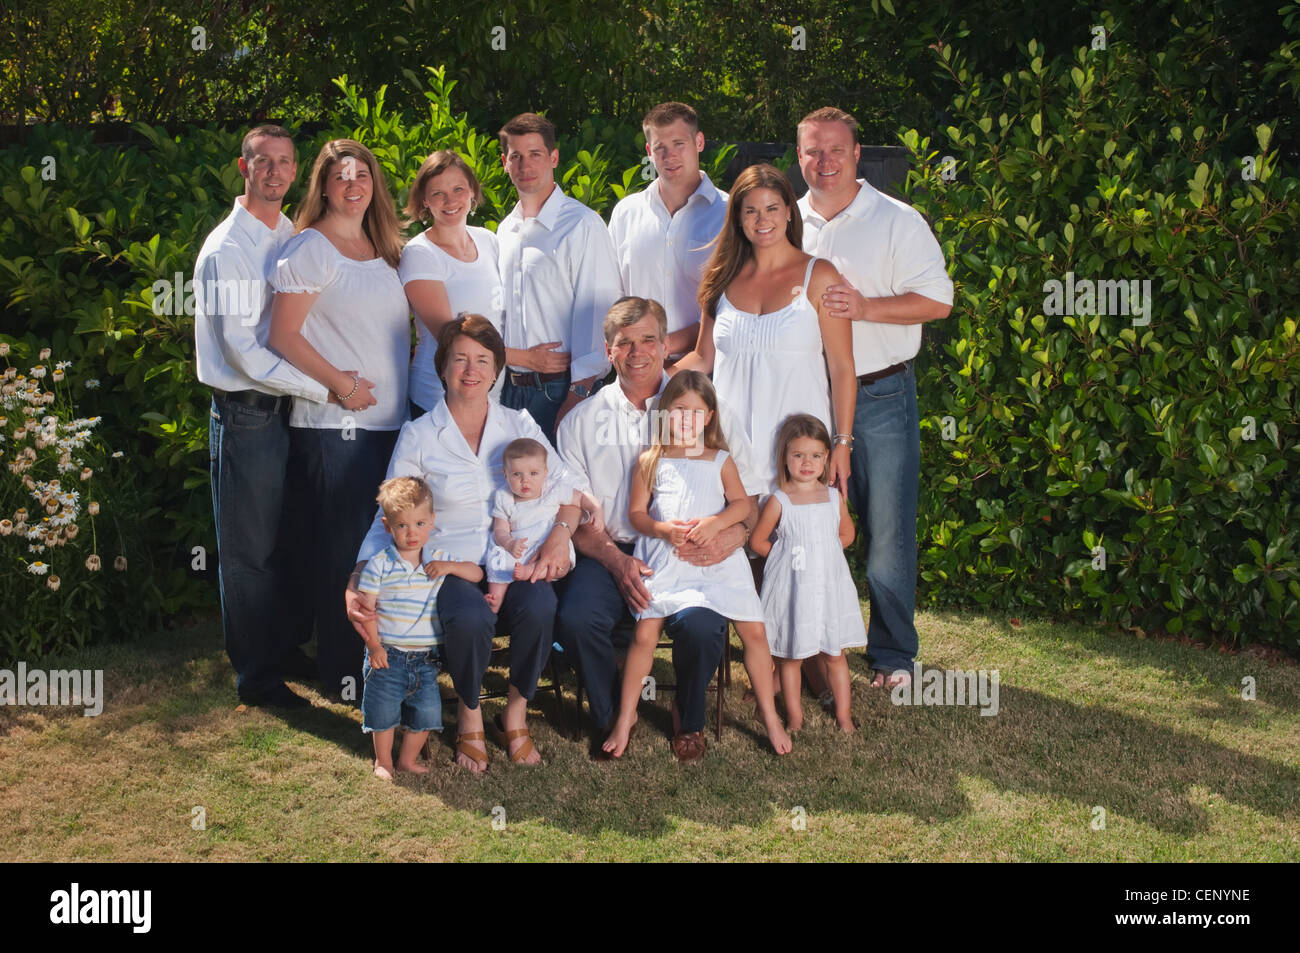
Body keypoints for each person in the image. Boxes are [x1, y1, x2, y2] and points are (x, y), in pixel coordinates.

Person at [345, 315, 584, 772]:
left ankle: (514, 713)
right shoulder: (419, 435)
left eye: (482, 360)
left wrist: (559, 537)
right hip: (448, 566)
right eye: (460, 359)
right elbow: (389, 514)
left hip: (518, 560)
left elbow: (570, 493)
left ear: (496, 371)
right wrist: (357, 577)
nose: (471, 370)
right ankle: (470, 716)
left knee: (540, 608)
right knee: (470, 617)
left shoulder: (519, 424)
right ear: (442, 368)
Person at [554, 297, 764, 762]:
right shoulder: (581, 423)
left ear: (666, 344)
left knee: (704, 627)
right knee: (576, 618)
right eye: (623, 342)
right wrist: (617, 560)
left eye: (648, 339)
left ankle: (688, 718)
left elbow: (752, 496)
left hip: (692, 550)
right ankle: (615, 712)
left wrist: (733, 536)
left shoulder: (706, 404)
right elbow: (574, 517)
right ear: (608, 352)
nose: (637, 351)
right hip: (610, 550)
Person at [796, 107, 953, 689]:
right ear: (799, 156)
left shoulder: (897, 220)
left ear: (858, 153)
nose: (824, 161)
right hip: (810, 397)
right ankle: (816, 646)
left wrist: (866, 308)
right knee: (814, 522)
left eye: (836, 149)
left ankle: (891, 656)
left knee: (886, 530)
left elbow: (938, 301)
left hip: (882, 391)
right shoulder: (788, 221)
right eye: (813, 150)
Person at [267, 139, 410, 701]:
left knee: (377, 549)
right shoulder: (311, 248)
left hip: (387, 427)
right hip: (334, 428)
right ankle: (341, 672)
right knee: (340, 552)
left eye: (363, 176)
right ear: (323, 185)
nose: (353, 185)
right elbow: (283, 336)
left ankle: (377, 657)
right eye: (341, 176)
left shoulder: (382, 248)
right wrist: (342, 384)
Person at [195, 124, 329, 709]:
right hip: (248, 413)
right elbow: (243, 352)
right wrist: (327, 388)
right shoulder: (229, 249)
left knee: (290, 540)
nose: (275, 172)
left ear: (295, 171)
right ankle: (256, 678)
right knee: (247, 552)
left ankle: (280, 647)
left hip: (287, 413)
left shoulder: (289, 234)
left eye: (285, 162)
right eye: (263, 162)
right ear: (243, 167)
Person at [603, 371, 790, 760]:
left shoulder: (720, 459)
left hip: (719, 560)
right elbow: (636, 514)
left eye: (695, 412)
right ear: (664, 414)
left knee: (754, 633)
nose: (686, 419)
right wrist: (661, 528)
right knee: (645, 634)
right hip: (667, 556)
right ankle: (626, 717)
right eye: (678, 410)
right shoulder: (650, 460)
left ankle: (769, 715)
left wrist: (715, 523)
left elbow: (742, 505)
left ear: (709, 417)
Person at [672, 164, 858, 496]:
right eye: (751, 211)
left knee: (803, 543)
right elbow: (702, 358)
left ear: (789, 210)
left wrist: (842, 442)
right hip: (730, 447)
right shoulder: (720, 279)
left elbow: (842, 367)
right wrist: (644, 381)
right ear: (738, 218)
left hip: (800, 451)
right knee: (733, 543)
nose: (762, 220)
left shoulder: (819, 276)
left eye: (772, 208)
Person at [494, 112, 624, 441]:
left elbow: (599, 315)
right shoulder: (504, 230)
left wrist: (576, 397)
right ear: (504, 163)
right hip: (508, 391)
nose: (525, 166)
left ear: (553, 157)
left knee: (562, 491)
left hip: (560, 392)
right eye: (516, 157)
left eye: (535, 154)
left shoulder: (582, 225)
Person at [356, 477, 483, 779]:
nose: (412, 533)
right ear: (388, 526)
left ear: (432, 522)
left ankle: (407, 760)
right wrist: (373, 646)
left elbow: (476, 573)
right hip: (388, 654)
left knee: (426, 716)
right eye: (402, 526)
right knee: (383, 714)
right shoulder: (380, 565)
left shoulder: (437, 561)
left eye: (420, 524)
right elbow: (366, 610)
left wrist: (450, 568)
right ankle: (383, 761)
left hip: (426, 659)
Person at [750, 414, 865, 733]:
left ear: (827, 458)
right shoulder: (779, 501)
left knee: (834, 653)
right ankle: (795, 717)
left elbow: (847, 534)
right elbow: (758, 541)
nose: (806, 462)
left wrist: (824, 555)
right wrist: (788, 558)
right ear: (784, 457)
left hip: (827, 588)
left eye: (815, 455)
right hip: (795, 590)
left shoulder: (833, 498)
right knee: (791, 657)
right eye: (798, 455)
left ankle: (843, 716)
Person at [608, 102, 728, 362]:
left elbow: (735, 304)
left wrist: (668, 344)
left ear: (699, 142)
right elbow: (613, 295)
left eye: (679, 144)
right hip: (637, 366)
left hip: (711, 368)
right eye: (660, 148)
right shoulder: (626, 213)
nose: (669, 156)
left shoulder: (729, 213)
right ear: (649, 152)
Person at [400, 150, 504, 416]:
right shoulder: (419, 253)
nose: (450, 200)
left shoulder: (488, 240)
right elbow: (452, 340)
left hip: (490, 396)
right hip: (437, 398)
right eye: (438, 193)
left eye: (458, 189)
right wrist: (528, 358)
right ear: (425, 200)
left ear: (472, 191)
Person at [485, 437, 583, 613]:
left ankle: (529, 571)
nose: (525, 481)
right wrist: (508, 543)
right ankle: (496, 598)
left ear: (545, 473)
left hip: (546, 541)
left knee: (559, 564)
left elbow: (580, 498)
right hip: (518, 545)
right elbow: (500, 529)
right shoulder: (503, 497)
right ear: (505, 474)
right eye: (516, 474)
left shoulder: (552, 489)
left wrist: (596, 510)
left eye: (533, 473)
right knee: (497, 555)